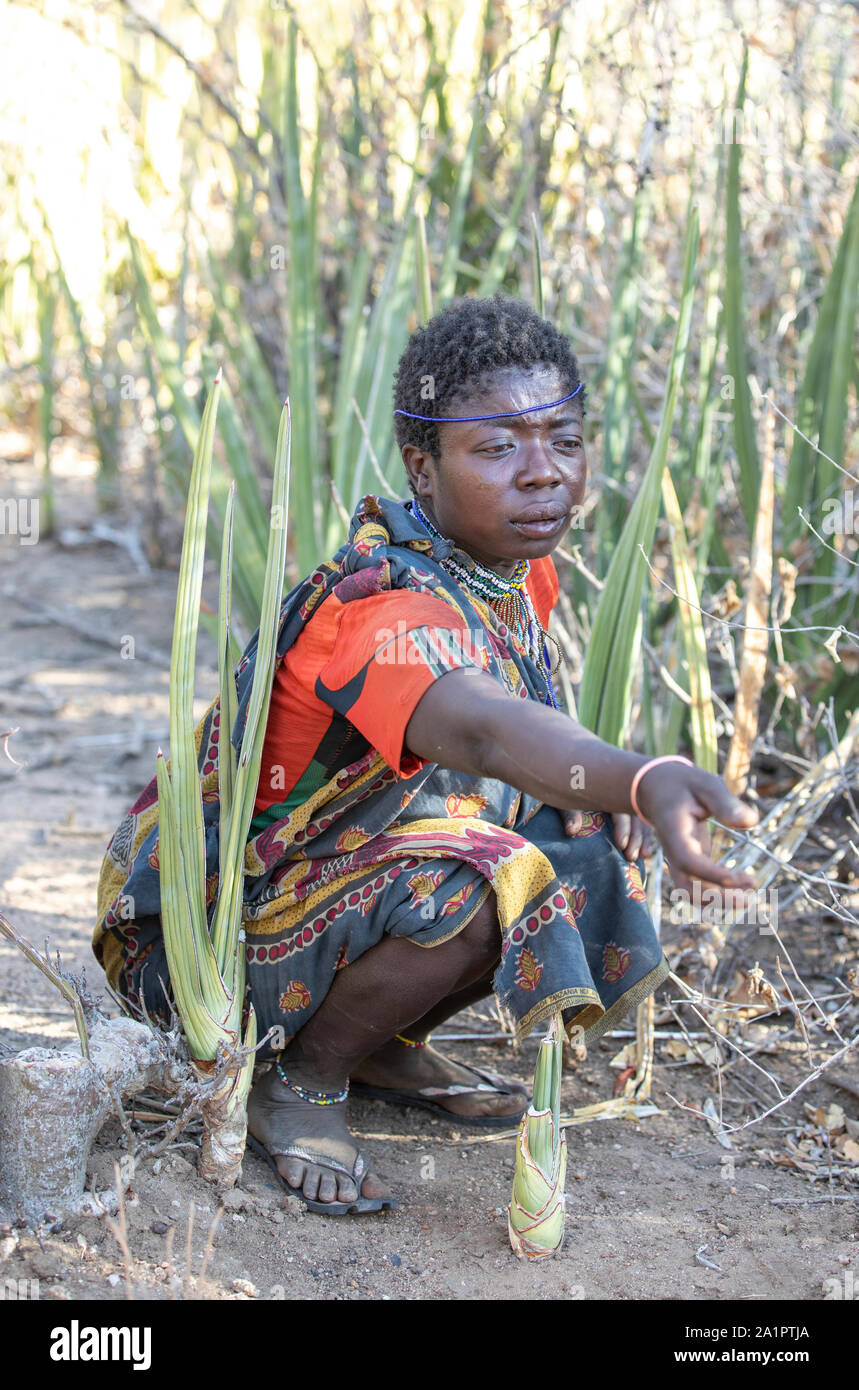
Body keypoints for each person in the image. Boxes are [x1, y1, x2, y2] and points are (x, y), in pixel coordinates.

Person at [94, 293, 757, 1216]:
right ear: (423, 464)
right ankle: (302, 1081)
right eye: (495, 448)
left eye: (562, 440)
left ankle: (374, 1042)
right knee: (498, 872)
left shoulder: (514, 573)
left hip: (319, 884)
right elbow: (483, 727)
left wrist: (598, 791)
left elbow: (525, 734)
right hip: (195, 937)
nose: (542, 476)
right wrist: (640, 776)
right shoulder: (379, 607)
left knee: (574, 842)